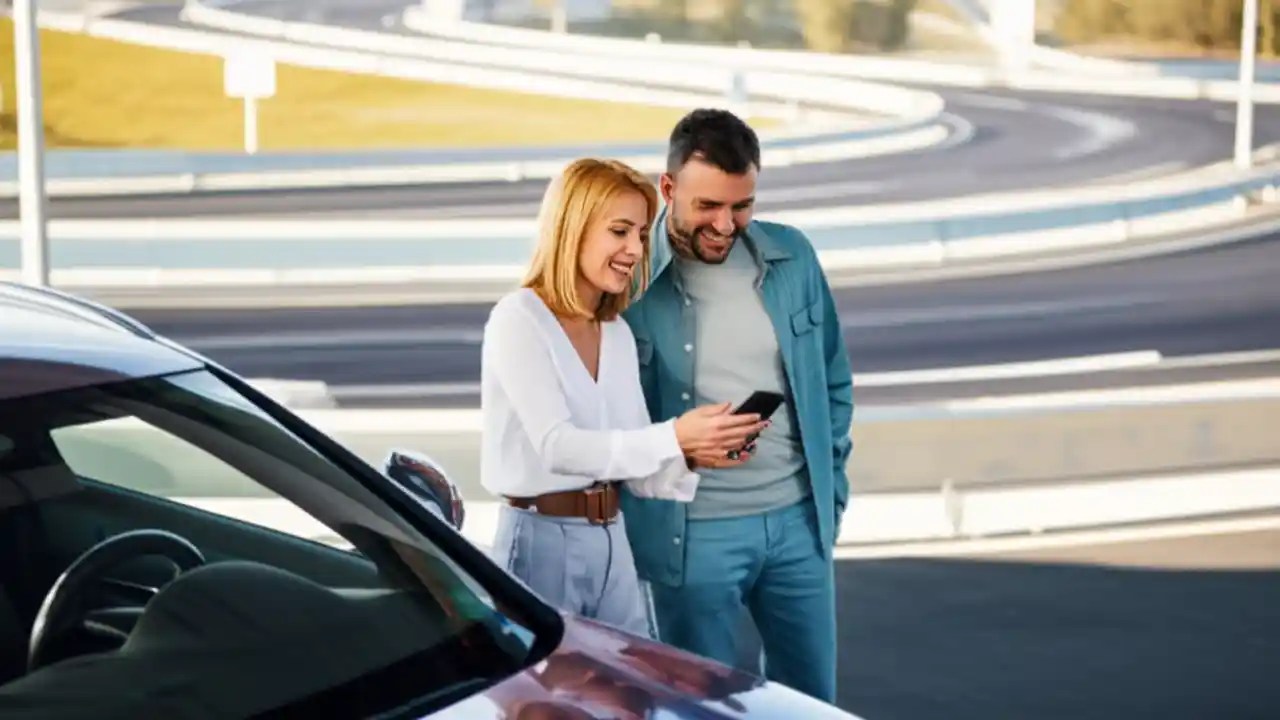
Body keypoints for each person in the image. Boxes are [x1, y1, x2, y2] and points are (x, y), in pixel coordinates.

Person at [479, 157, 769, 639]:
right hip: (538, 542)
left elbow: (636, 464)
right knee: (549, 703)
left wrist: (695, 454)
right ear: (573, 228)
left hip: (612, 539)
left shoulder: (614, 333)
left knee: (632, 696)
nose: (635, 249)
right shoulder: (519, 318)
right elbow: (559, 447)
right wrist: (675, 434)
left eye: (639, 233)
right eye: (619, 231)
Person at [620, 109, 854, 703]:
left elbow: (832, 378)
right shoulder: (629, 278)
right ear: (667, 189)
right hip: (691, 536)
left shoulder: (793, 257)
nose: (726, 225)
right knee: (700, 707)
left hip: (799, 524)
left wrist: (831, 495)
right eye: (708, 207)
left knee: (813, 706)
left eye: (741, 204)